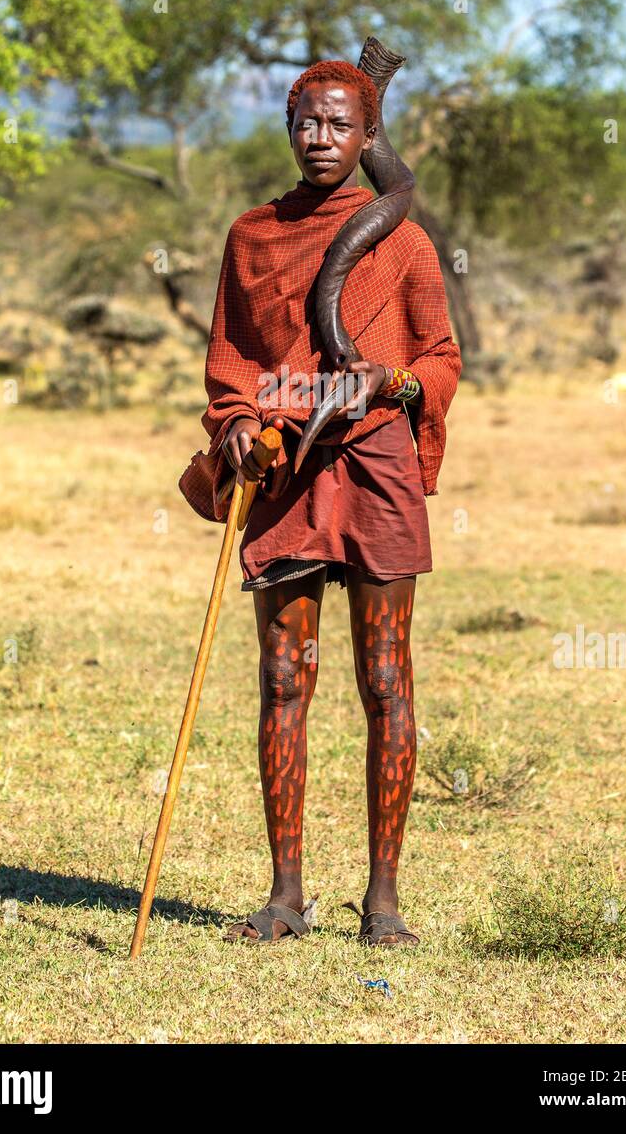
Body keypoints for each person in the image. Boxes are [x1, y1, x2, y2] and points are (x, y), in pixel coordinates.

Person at [179, 59, 462, 945]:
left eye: (340, 127)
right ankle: (283, 897)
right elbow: (229, 366)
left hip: (374, 464)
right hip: (285, 471)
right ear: (287, 126)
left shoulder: (403, 242)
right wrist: (233, 424)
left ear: (369, 139)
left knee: (385, 681)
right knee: (281, 680)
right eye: (306, 122)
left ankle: (382, 901)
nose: (320, 140)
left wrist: (396, 380)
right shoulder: (251, 235)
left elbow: (443, 359)